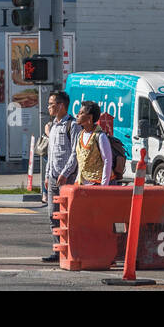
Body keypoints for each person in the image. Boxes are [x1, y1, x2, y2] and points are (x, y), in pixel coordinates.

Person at [40, 91, 79, 262]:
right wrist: (48, 175)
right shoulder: (53, 126)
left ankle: (71, 250)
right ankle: (58, 250)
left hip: (68, 180)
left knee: (69, 217)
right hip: (54, 179)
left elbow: (75, 154)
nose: (48, 107)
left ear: (61, 105)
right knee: (52, 215)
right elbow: (51, 153)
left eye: (51, 104)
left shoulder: (72, 125)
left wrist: (65, 174)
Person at [74, 100, 113, 186]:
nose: (77, 115)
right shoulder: (80, 135)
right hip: (82, 183)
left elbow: (107, 160)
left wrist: (104, 185)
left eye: (81, 113)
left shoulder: (100, 136)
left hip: (97, 184)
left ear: (90, 118)